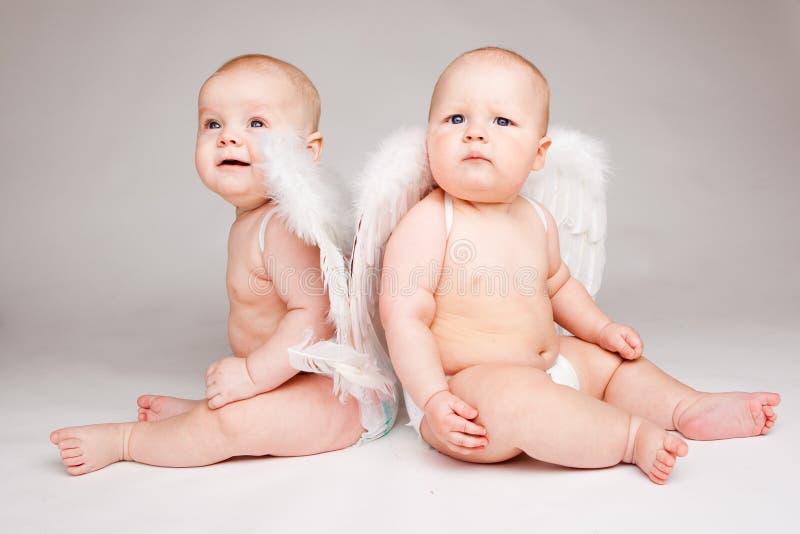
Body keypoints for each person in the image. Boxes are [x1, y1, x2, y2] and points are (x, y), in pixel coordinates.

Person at [380, 47, 780, 484]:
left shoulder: (536, 218)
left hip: (551, 367)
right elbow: (404, 320)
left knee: (607, 364)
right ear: (427, 140)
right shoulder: (430, 221)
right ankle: (628, 437)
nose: (475, 134)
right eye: (455, 119)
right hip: (467, 393)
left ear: (538, 153)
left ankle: (688, 407)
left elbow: (559, 286)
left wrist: (601, 330)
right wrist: (434, 396)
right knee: (523, 399)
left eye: (502, 122)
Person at [50, 54, 392, 475]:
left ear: (307, 151)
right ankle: (202, 413)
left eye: (256, 124)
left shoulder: (284, 227)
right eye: (213, 124)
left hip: (339, 400)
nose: (228, 138)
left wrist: (251, 373)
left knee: (233, 424)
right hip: (287, 385)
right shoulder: (253, 220)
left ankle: (127, 441)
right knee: (237, 413)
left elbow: (317, 317)